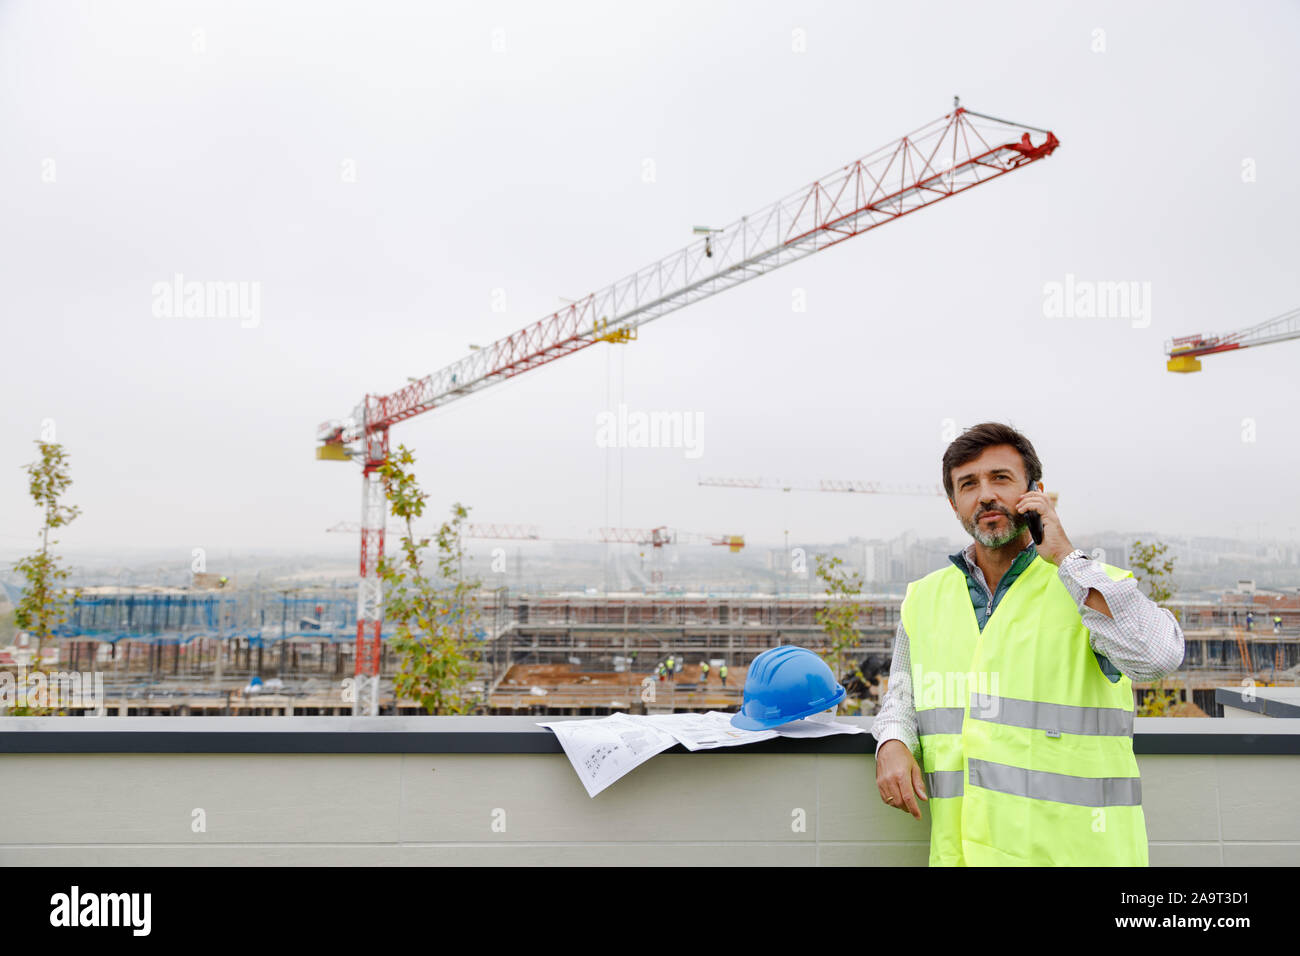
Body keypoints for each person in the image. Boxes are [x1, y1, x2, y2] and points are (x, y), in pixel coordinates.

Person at [873, 422, 1185, 866]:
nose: (985, 495)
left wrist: (1066, 557)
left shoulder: (1089, 587)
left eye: (1000, 478)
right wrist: (892, 741)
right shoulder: (924, 598)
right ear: (954, 504)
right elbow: (901, 697)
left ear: (1034, 491)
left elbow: (1159, 657)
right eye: (968, 484)